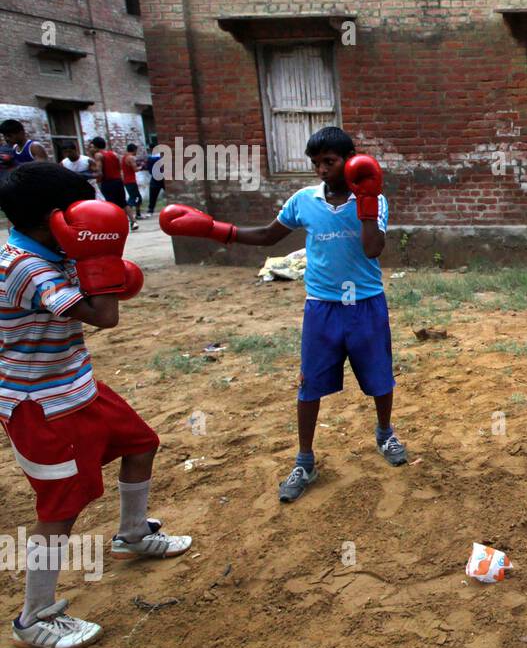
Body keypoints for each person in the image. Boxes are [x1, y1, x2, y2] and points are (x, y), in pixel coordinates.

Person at [159, 126, 408, 502]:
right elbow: (267, 236)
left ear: (350, 159)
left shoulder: (374, 199)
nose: (322, 169)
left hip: (366, 304)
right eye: (316, 163)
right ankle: (304, 460)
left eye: (329, 161)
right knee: (309, 385)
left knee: (379, 378)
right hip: (321, 306)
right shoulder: (304, 200)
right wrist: (215, 230)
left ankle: (385, 434)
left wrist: (368, 201)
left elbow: (373, 249)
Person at [0, 163, 192, 648]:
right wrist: (102, 255)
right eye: (76, 213)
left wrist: (96, 261)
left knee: (141, 443)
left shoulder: (48, 250)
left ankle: (131, 534)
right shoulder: (26, 266)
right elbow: (105, 317)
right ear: (55, 219)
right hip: (41, 404)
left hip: (76, 384)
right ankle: (34, 617)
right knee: (62, 506)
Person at [87, 137, 135, 230]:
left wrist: (91, 170)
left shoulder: (98, 155)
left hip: (108, 182)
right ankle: (133, 221)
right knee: (123, 203)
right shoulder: (114, 154)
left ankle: (117, 223)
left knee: (111, 205)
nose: (91, 148)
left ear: (96, 146)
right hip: (118, 181)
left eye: (92, 146)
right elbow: (119, 168)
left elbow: (99, 171)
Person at [122, 143, 143, 222]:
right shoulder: (131, 157)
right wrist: (142, 166)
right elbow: (135, 169)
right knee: (135, 198)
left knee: (136, 198)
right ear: (134, 150)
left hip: (127, 181)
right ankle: (125, 214)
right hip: (130, 181)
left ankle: (138, 214)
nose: (136, 152)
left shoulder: (124, 157)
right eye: (136, 150)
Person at [144, 139, 164, 218]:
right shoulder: (161, 156)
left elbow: (149, 169)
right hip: (163, 177)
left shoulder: (150, 158)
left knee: (153, 195)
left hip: (155, 178)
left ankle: (150, 210)